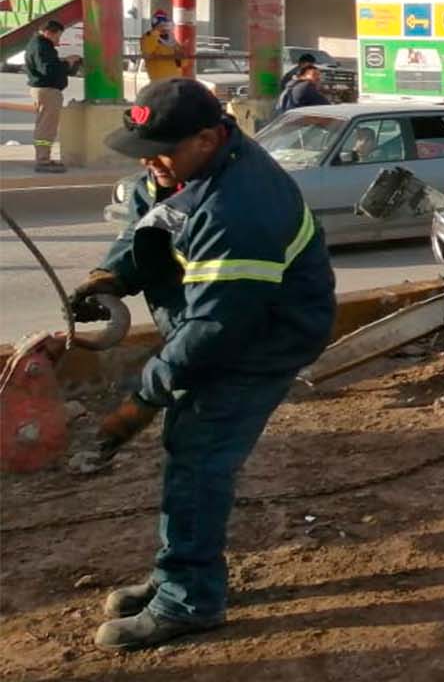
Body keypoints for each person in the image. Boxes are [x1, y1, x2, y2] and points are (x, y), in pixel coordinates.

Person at [64, 78, 336, 652]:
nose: (151, 163)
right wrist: (112, 275)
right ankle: (177, 576)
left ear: (211, 137)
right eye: (144, 150)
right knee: (188, 453)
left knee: (198, 458)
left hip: (260, 340)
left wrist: (143, 399)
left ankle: (189, 600)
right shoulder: (180, 167)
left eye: (161, 150)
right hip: (218, 324)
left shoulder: (241, 206)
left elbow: (216, 328)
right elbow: (150, 216)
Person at [25, 18, 82, 173]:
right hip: (47, 91)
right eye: (57, 36)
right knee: (46, 127)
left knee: (44, 125)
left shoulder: (39, 45)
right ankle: (43, 160)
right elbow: (48, 69)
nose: (58, 40)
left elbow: (48, 65)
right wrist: (67, 63)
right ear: (48, 33)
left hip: (44, 90)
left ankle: (44, 158)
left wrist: (63, 62)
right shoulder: (41, 46)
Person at [140, 11, 183, 83]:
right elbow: (147, 51)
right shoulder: (148, 37)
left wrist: (181, 53)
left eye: (167, 25)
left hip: (175, 81)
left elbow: (183, 63)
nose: (165, 28)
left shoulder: (171, 39)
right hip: (159, 82)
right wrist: (156, 33)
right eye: (163, 25)